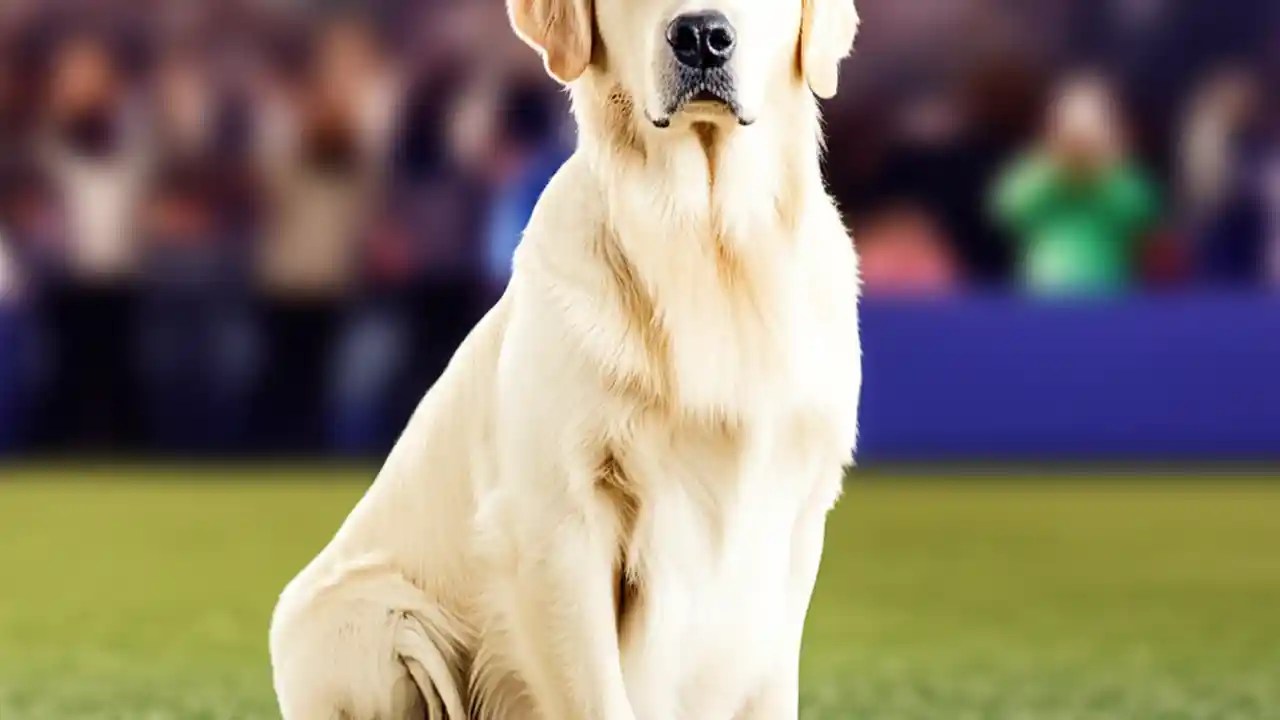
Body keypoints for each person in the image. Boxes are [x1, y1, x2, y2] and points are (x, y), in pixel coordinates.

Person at [993, 76, 1160, 295]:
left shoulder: (1122, 174)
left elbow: (1143, 216)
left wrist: (1103, 177)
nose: (1081, 139)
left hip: (1109, 289)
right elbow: (1008, 211)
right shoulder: (1036, 168)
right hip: (1046, 289)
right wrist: (1053, 175)